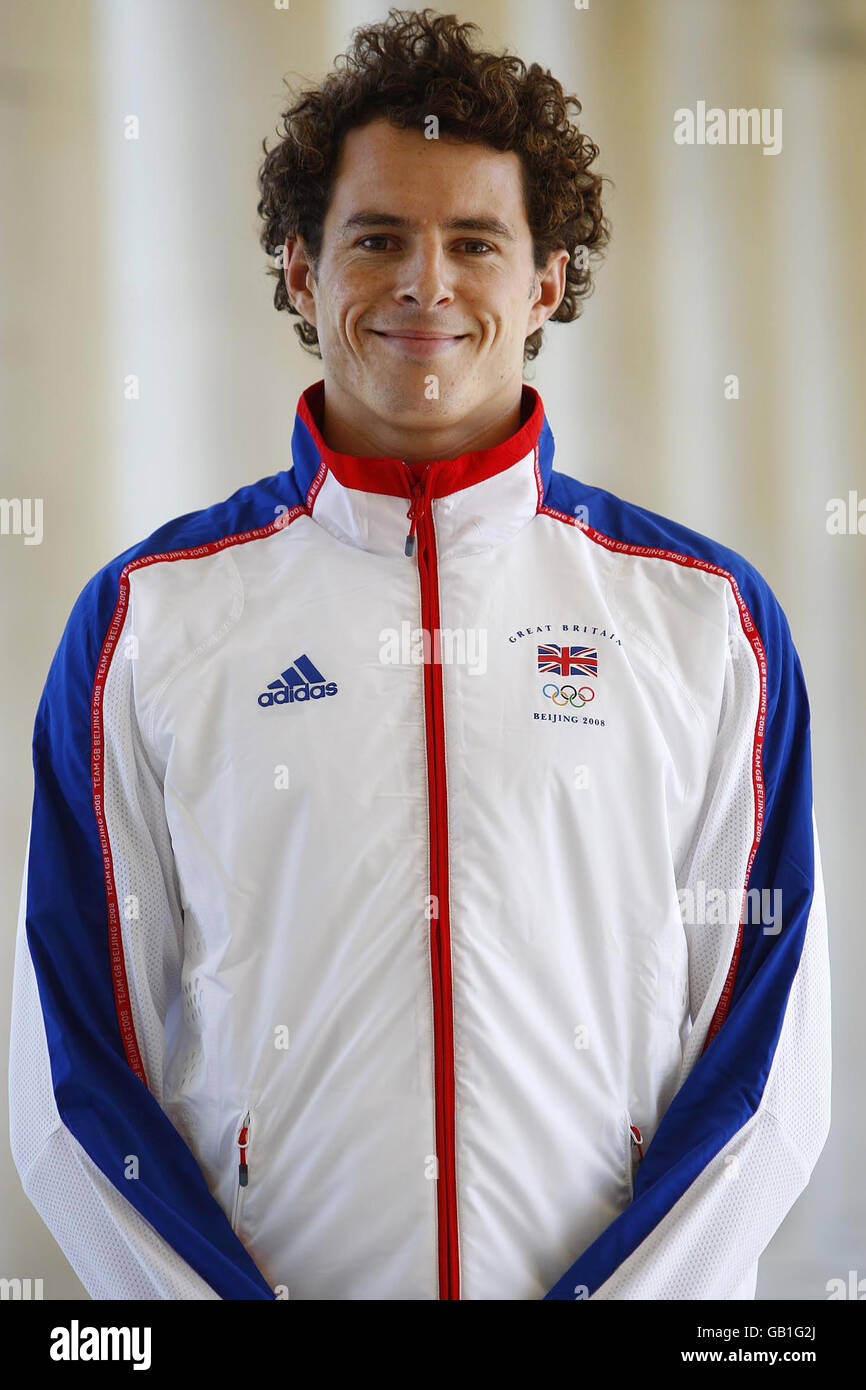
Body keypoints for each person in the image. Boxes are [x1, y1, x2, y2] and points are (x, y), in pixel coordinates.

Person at [9, 7, 830, 1301]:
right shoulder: (144, 624)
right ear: (299, 266)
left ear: (547, 277)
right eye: (376, 237)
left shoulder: (702, 621)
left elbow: (768, 1064)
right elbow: (67, 1078)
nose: (424, 285)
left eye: (475, 243)